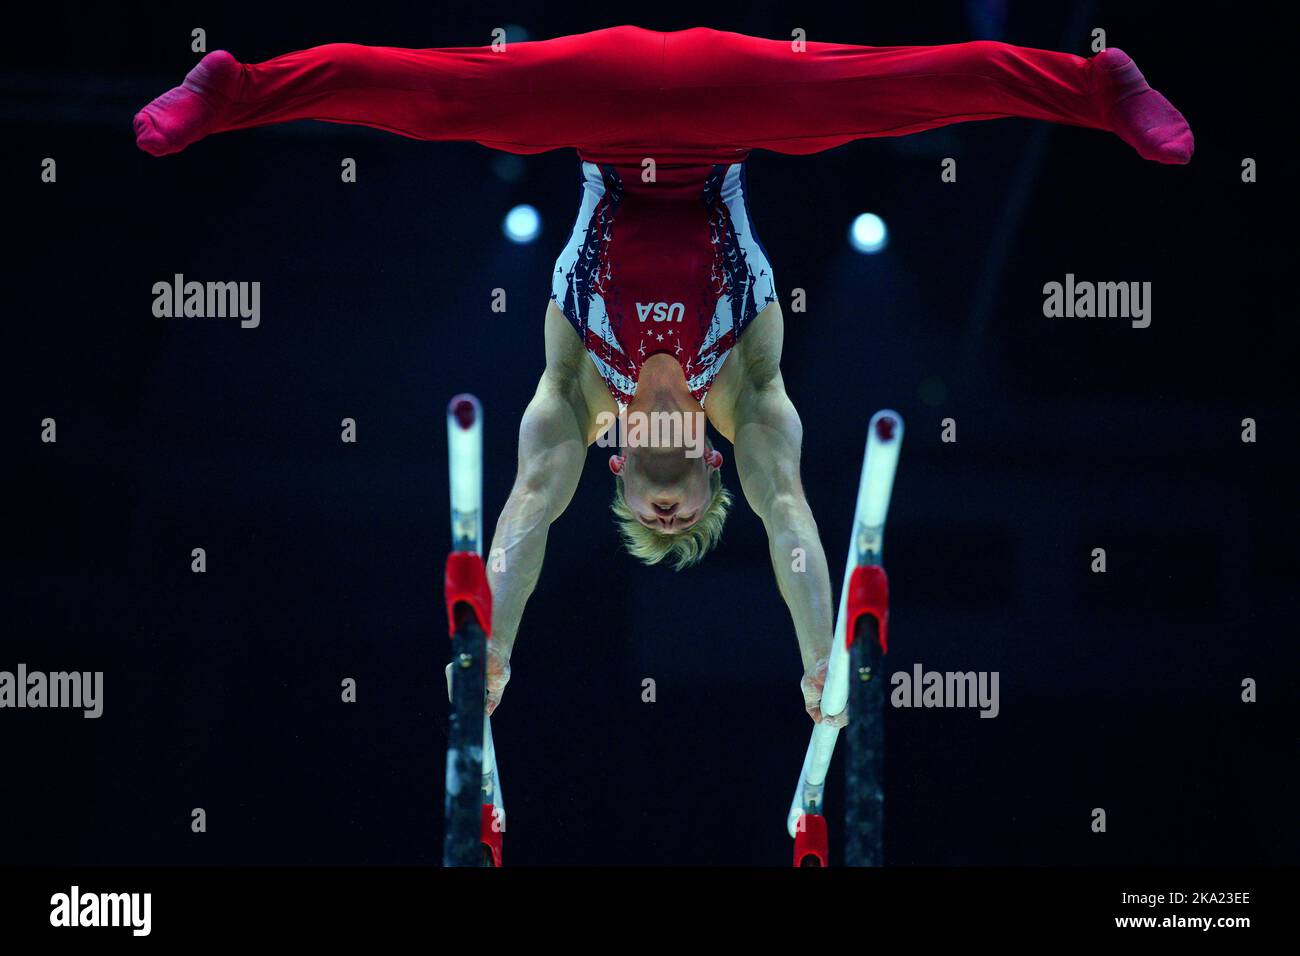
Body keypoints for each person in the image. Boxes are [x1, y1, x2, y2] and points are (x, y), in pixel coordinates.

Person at [134, 26, 1193, 724]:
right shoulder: (751, 390)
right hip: (725, 116)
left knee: (432, 98)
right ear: (715, 454)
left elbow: (522, 517)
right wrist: (820, 656)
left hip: (594, 117)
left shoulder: (570, 394)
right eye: (690, 481)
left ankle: (231, 89)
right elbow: (789, 515)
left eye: (653, 487)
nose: (669, 462)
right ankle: (1099, 86)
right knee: (898, 92)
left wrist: (486, 651)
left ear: (614, 462)